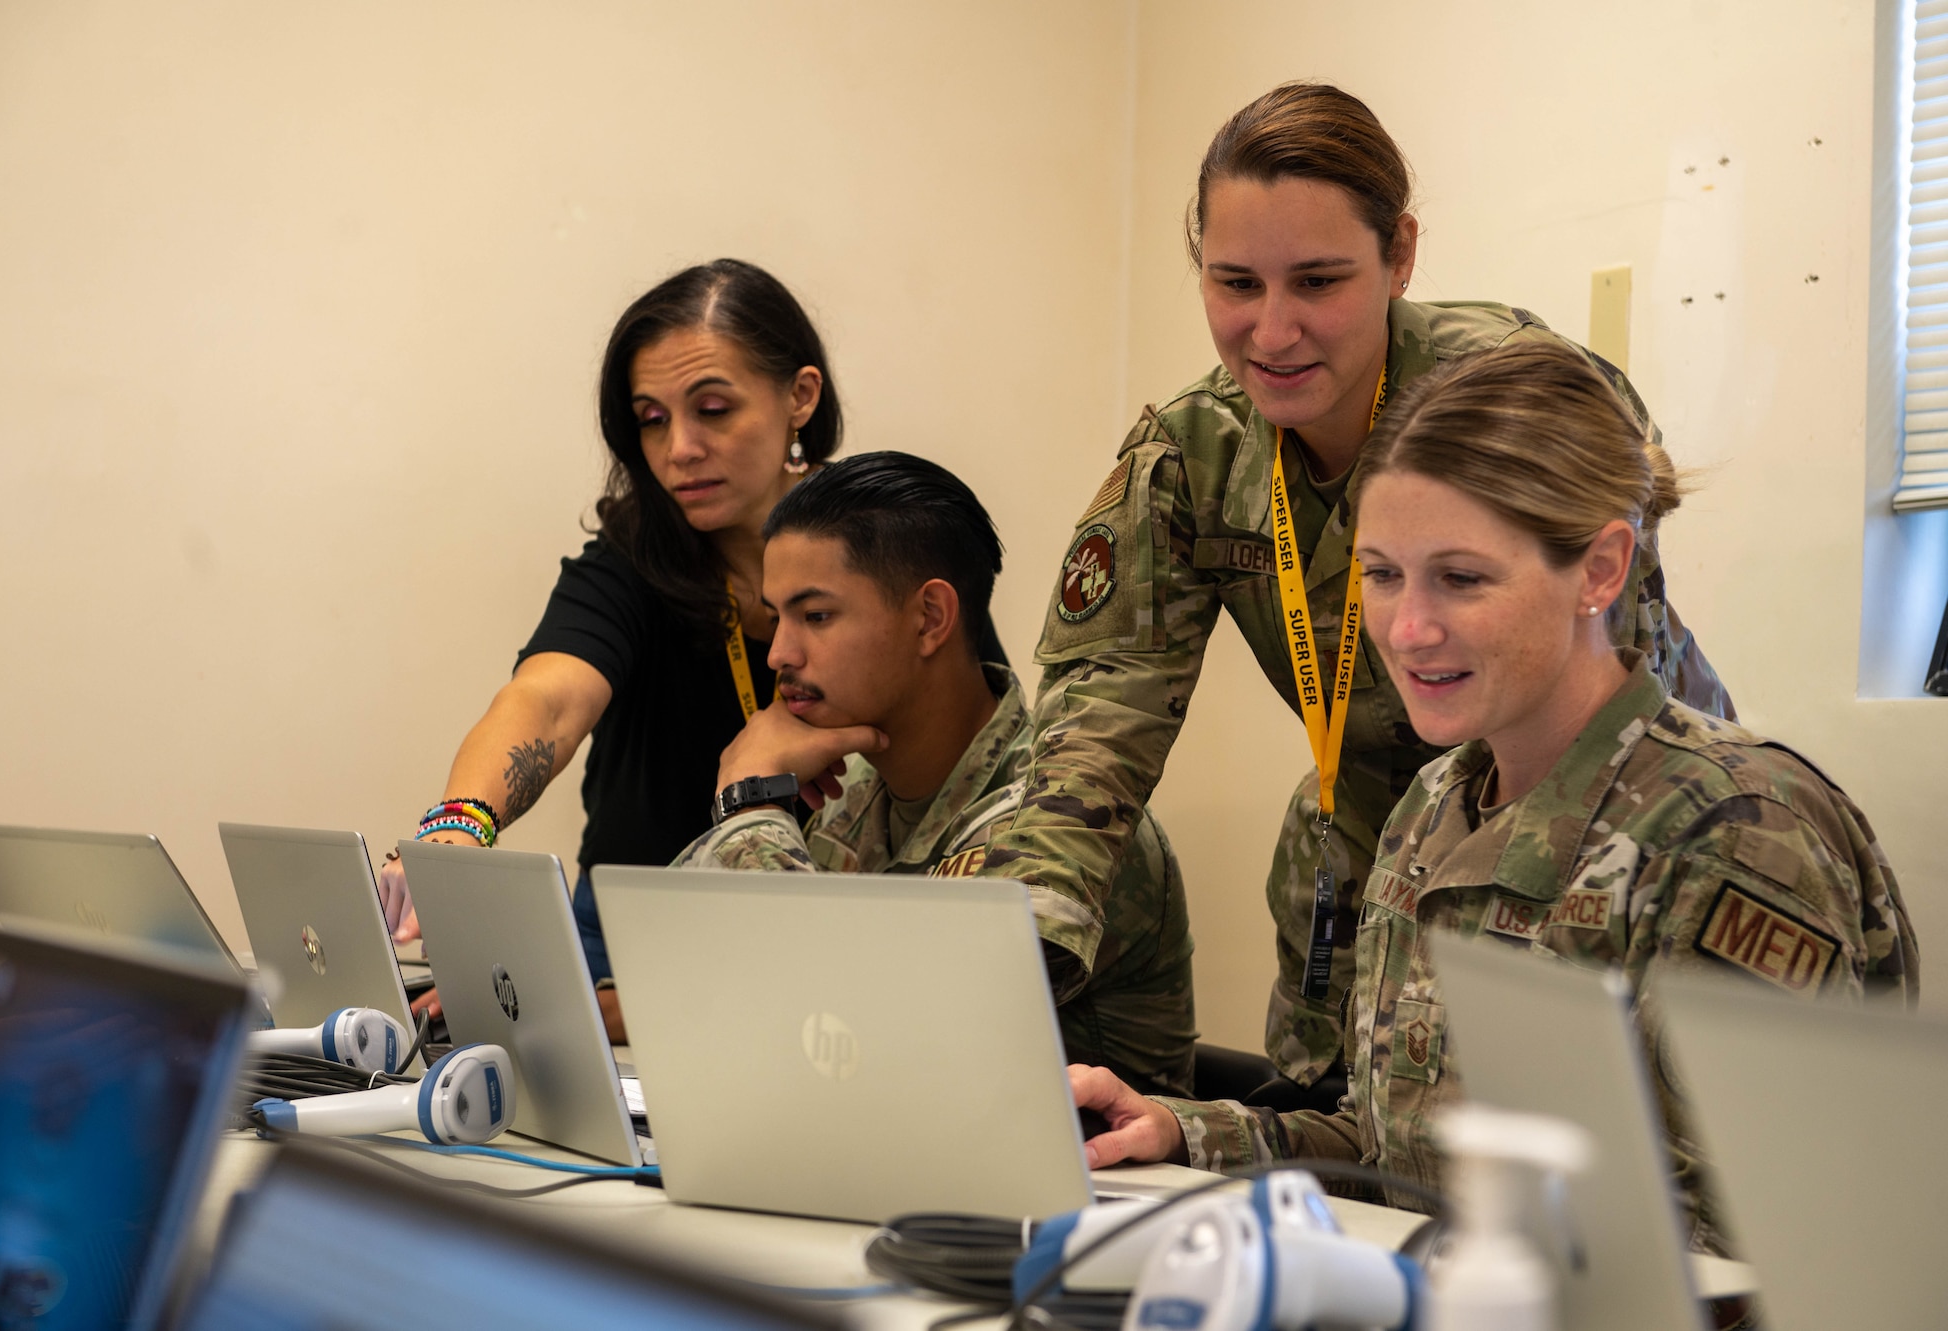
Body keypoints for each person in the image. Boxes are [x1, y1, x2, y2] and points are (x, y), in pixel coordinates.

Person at [1068, 342, 1920, 1254]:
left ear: (1600, 570)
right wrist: (1181, 1130)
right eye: (1383, 573)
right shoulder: (1434, 806)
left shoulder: (1733, 829)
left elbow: (1774, 1250)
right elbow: (1396, 1154)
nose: (1407, 627)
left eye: (1461, 578)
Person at [978, 82, 1735, 1106]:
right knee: (1336, 1123)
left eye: (1318, 281)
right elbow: (1095, 716)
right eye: (1234, 283)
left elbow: (1606, 690)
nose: (1272, 330)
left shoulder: (1510, 395)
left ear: (1400, 256)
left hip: (1605, 822)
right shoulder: (1194, 450)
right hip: (1367, 831)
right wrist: (1006, 963)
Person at [377, 258, 841, 1040]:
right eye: (652, 418)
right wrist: (459, 827)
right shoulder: (636, 554)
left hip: (822, 952)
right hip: (616, 949)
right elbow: (547, 700)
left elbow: (962, 730)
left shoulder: (886, 543)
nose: (679, 448)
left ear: (800, 395)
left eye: (713, 409)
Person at [674, 451, 1199, 1096]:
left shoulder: (1059, 814)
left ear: (929, 618)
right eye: (776, 617)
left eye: (814, 616)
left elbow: (875, 1028)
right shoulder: (858, 795)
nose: (779, 653)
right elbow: (702, 989)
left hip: (1100, 1186)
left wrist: (749, 803)